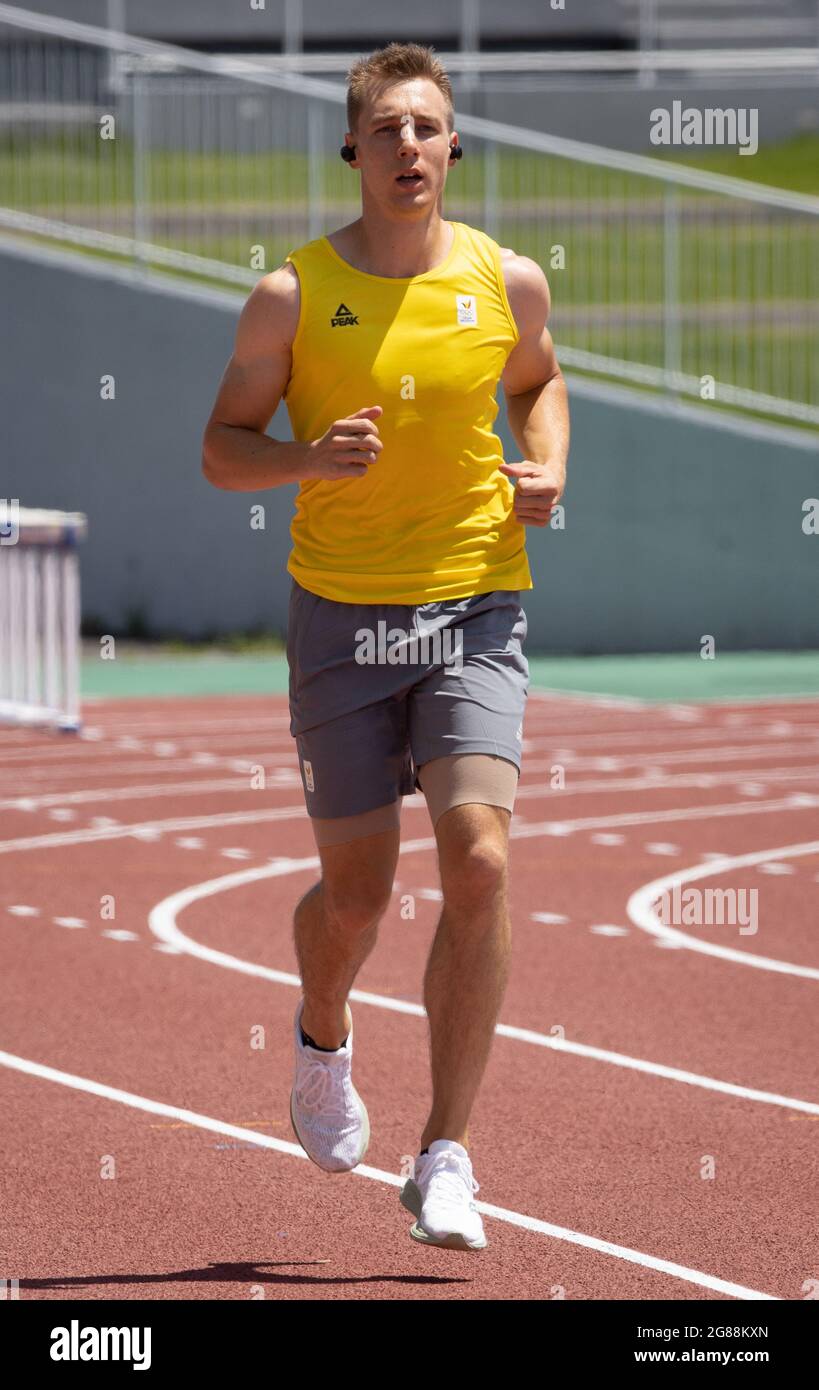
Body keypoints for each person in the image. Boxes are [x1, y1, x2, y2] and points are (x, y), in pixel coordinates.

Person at [202, 41, 569, 1252]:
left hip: (474, 602)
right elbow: (222, 447)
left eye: (429, 128)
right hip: (343, 618)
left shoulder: (506, 281)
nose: (410, 148)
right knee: (359, 894)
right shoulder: (293, 296)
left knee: (480, 859)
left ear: (453, 147)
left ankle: (447, 1155)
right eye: (387, 131)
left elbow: (542, 381)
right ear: (352, 152)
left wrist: (548, 461)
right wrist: (307, 458)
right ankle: (320, 1033)